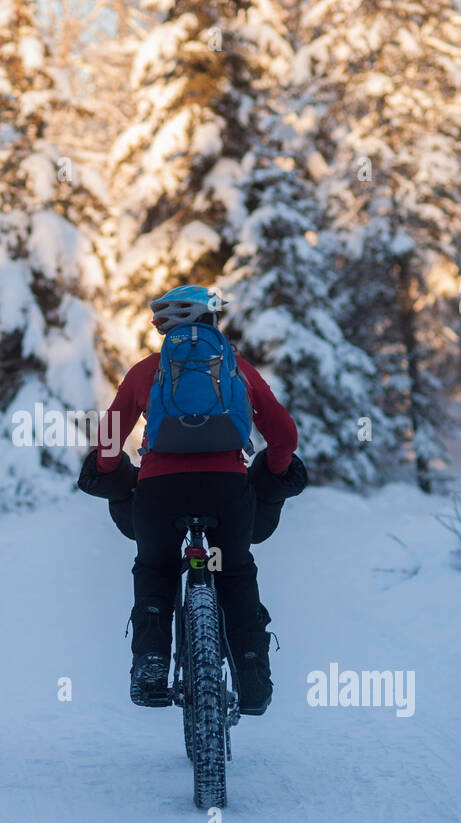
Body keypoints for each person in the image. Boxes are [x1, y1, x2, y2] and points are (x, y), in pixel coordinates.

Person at [77, 285, 303, 716]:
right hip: (227, 491)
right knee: (234, 573)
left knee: (155, 569)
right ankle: (253, 674)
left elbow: (108, 442)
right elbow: (285, 436)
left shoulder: (146, 372)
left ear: (167, 329)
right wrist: (274, 471)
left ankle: (151, 662)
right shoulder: (239, 371)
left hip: (161, 491)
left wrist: (110, 474)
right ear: (210, 321)